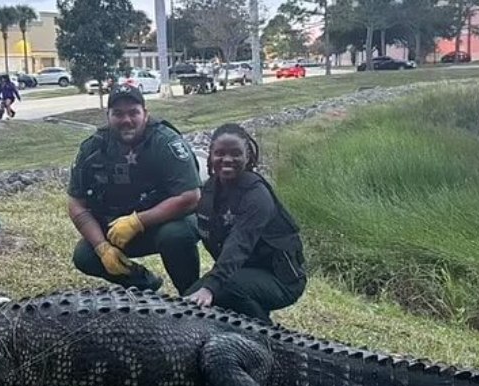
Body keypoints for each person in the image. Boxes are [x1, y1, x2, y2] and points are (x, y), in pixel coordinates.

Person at [67, 83, 201, 295]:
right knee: (85, 254)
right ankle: (144, 284)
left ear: (145, 114)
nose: (126, 120)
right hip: (118, 228)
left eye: (133, 113)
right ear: (108, 116)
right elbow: (76, 202)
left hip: (167, 221)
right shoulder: (93, 148)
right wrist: (102, 247)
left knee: (175, 235)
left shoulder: (165, 142)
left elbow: (190, 197)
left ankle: (192, 294)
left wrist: (138, 221)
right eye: (118, 113)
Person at [185, 124, 307, 322]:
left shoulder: (257, 195)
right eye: (219, 153)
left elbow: (239, 243)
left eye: (235, 154)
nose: (226, 160)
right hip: (243, 271)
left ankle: (268, 338)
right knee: (190, 296)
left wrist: (210, 287)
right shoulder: (209, 189)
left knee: (225, 288)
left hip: (281, 279)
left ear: (248, 156)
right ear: (210, 155)